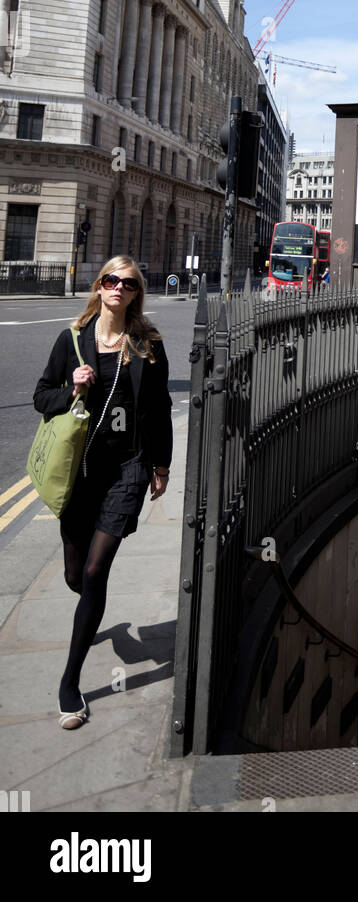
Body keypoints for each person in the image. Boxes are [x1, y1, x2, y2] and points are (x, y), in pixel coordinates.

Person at [33, 256, 173, 729]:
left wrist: (161, 463)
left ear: (136, 293)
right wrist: (71, 388)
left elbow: (158, 407)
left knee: (95, 571)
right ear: (100, 287)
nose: (117, 287)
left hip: (126, 471)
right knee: (76, 575)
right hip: (81, 472)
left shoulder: (147, 344)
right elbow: (40, 397)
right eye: (110, 280)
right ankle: (100, 624)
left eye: (128, 283)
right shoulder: (72, 341)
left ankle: (69, 683)